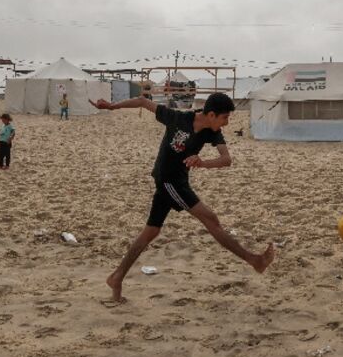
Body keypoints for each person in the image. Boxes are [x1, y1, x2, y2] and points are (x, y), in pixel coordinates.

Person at [90, 92, 275, 303]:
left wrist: (202, 161)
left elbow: (226, 160)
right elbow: (142, 101)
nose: (226, 123)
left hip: (179, 182)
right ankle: (254, 260)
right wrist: (112, 106)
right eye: (225, 118)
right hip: (168, 181)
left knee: (150, 231)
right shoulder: (178, 118)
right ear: (212, 114)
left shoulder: (211, 132)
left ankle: (116, 278)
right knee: (211, 219)